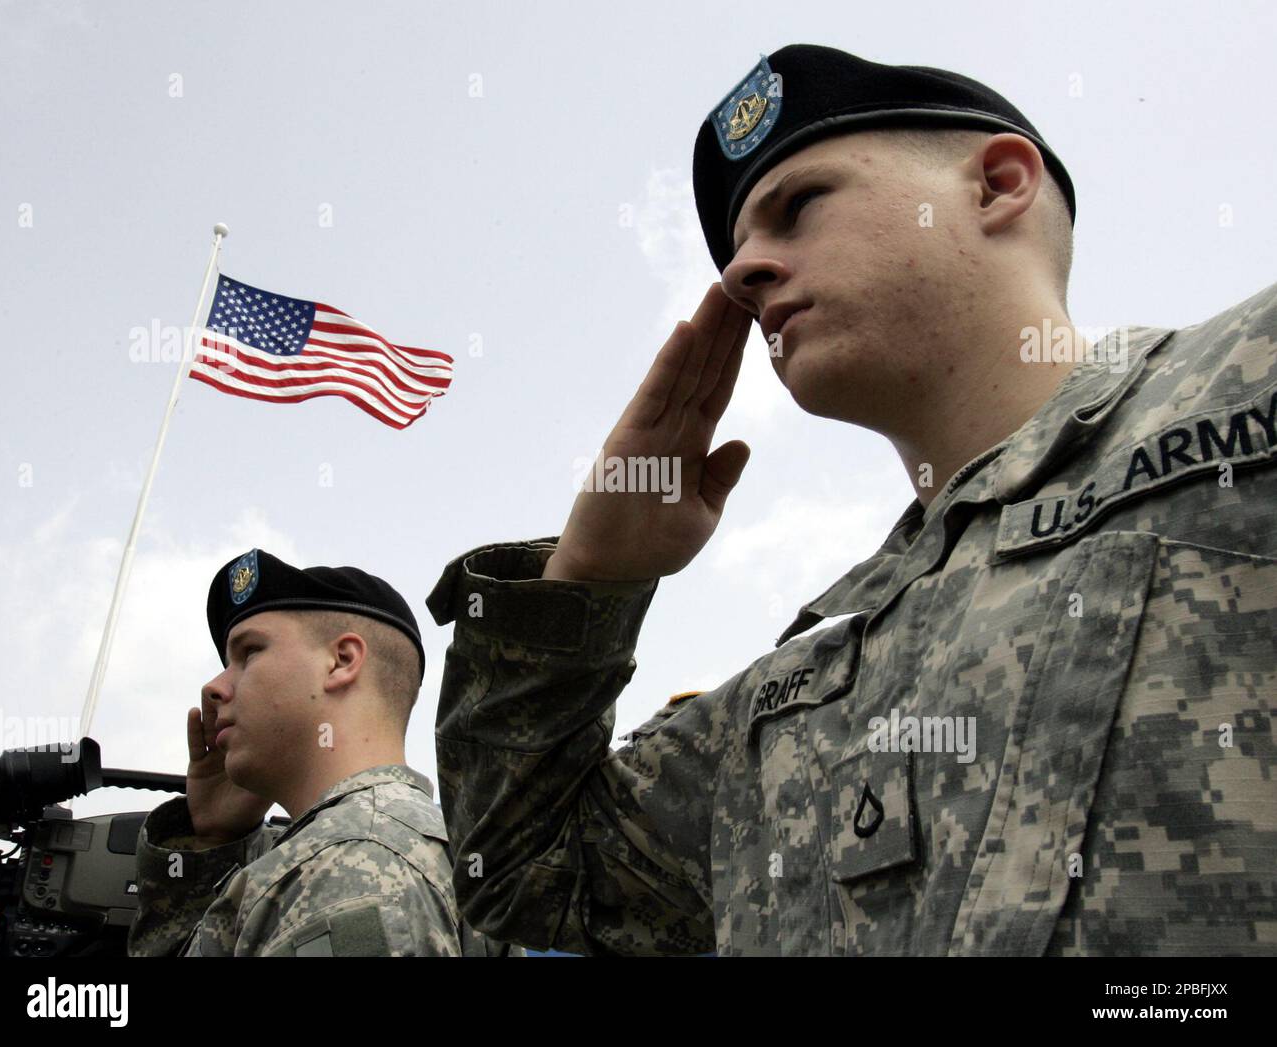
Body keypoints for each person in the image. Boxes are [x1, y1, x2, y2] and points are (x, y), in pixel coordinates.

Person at [426, 44, 1277, 956]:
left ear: (996, 184)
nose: (744, 272)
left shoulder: (1249, 390)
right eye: (737, 247)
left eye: (798, 207)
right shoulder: (795, 691)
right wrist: (593, 576)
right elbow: (525, 874)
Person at [128, 548, 515, 956]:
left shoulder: (350, 862)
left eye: (249, 652)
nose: (215, 687)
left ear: (341, 661)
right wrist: (212, 839)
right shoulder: (393, 846)